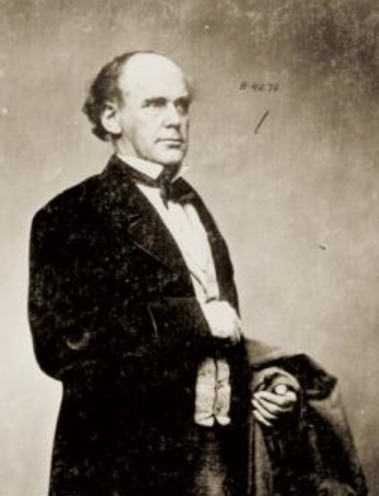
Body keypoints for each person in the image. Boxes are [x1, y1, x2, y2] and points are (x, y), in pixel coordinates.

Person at [28, 51, 366, 496]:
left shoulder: (192, 205)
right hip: (125, 466)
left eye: (181, 105)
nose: (175, 120)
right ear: (111, 117)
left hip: (217, 458)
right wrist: (195, 319)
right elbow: (64, 345)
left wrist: (261, 385)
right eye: (155, 104)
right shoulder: (70, 214)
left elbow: (221, 343)